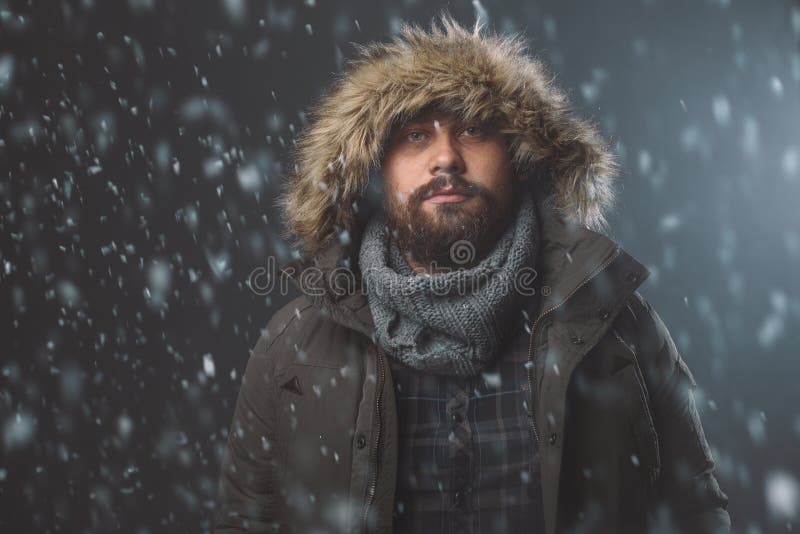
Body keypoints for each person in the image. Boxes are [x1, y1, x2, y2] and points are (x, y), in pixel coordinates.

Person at [214, 14, 731, 534]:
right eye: (415, 134)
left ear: (519, 157)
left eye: (473, 129)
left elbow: (694, 511)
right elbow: (245, 521)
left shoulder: (612, 321)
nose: (445, 157)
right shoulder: (295, 341)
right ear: (375, 169)